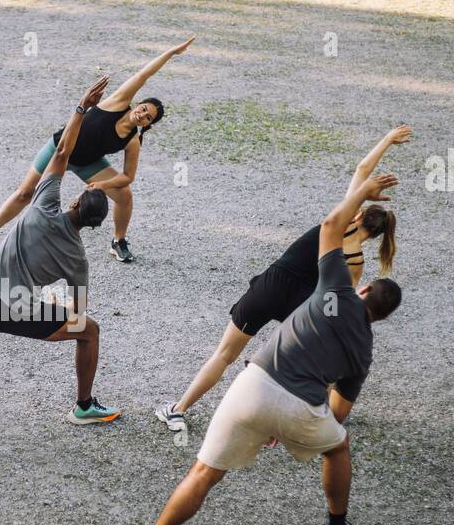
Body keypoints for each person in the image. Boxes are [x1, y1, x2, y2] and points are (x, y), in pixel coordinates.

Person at [121, 172, 404, 525]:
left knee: (205, 473)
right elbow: (338, 415)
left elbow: (330, 224)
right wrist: (290, 428)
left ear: (363, 290)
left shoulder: (336, 287)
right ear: (382, 319)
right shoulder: (364, 353)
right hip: (304, 408)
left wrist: (361, 192)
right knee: (338, 447)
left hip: (254, 387)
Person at [155, 126, 410, 433]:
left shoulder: (339, 222)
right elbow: (336, 301)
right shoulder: (356, 262)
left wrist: (387, 139)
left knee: (224, 355)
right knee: (299, 363)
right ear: (378, 236)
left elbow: (362, 169)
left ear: (359, 214)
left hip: (271, 286)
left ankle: (178, 410)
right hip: (300, 305)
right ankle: (310, 413)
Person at [0, 77, 120, 425]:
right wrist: (56, 305)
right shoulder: (78, 260)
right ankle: (83, 407)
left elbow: (62, 152)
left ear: (74, 202)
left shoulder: (44, 204)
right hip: (17, 310)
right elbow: (78, 312)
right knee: (90, 331)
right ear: (95, 225)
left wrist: (82, 107)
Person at [0, 37, 195, 264]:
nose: (141, 115)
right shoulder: (118, 102)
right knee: (25, 193)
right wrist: (171, 52)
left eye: (148, 117)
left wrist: (102, 185)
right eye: (143, 108)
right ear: (138, 104)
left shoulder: (132, 141)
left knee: (125, 195)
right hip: (59, 150)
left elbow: (128, 176)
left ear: (148, 124)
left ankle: (118, 241)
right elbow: (143, 75)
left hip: (87, 163)